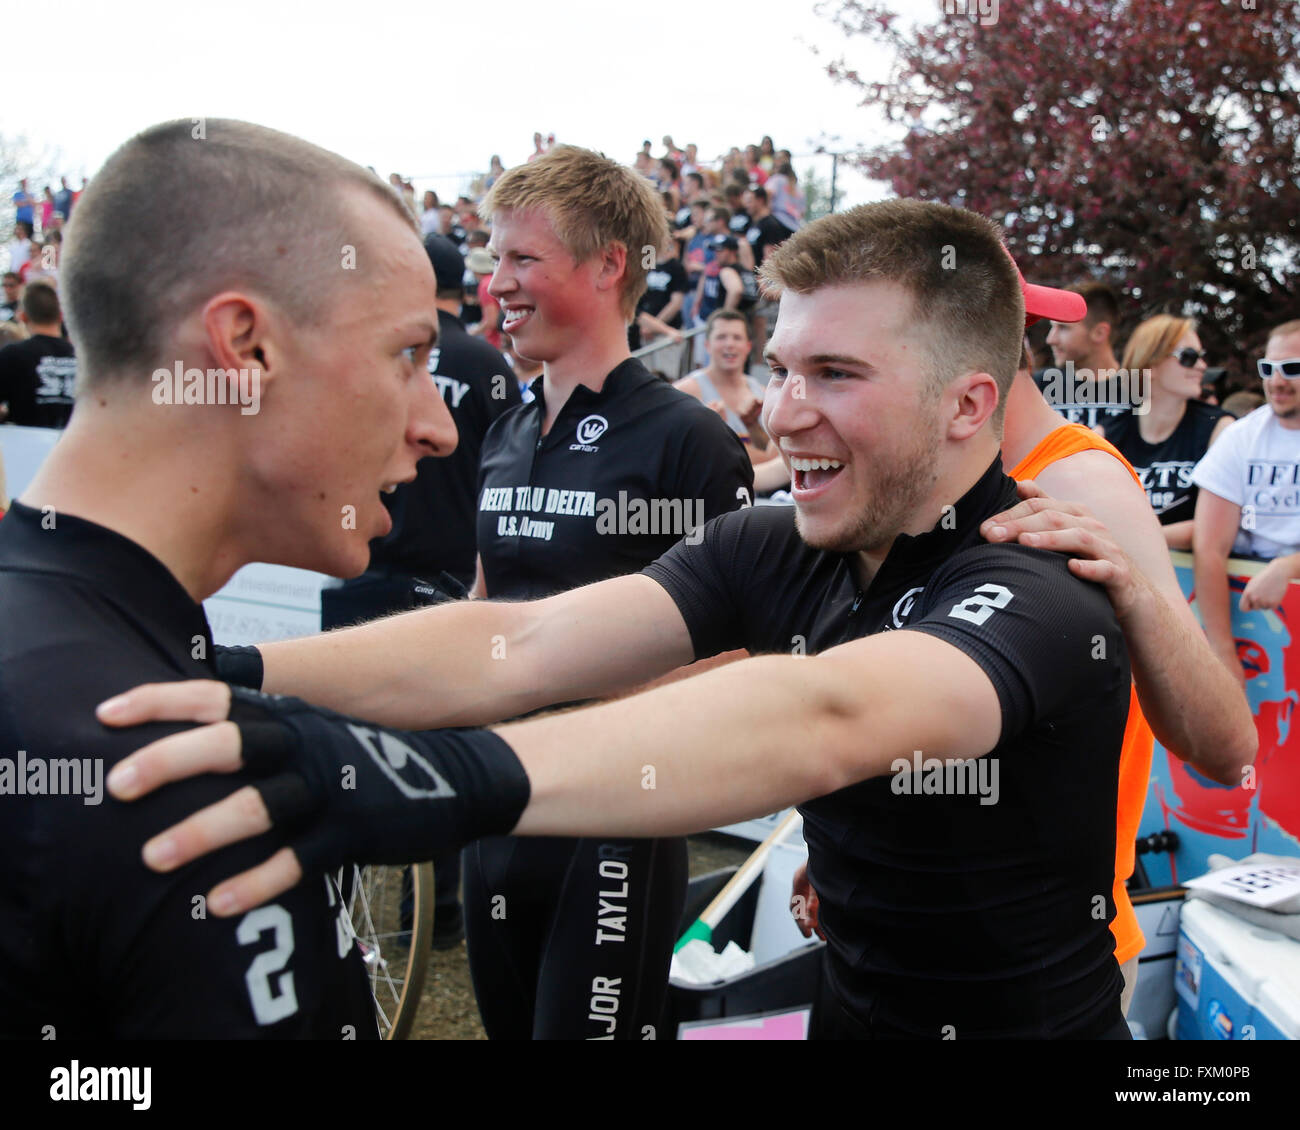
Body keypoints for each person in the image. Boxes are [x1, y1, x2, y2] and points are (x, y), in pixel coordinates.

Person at [107, 200, 1157, 1040]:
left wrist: (435, 781)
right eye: (784, 368)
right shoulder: (781, 538)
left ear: (968, 405)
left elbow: (826, 712)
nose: (784, 411)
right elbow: (521, 639)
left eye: (835, 374)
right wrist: (225, 663)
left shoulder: (1041, 573)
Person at [0, 117, 459, 1038]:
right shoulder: (162, 766)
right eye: (407, 356)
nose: (437, 427)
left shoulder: (96, 651)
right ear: (245, 347)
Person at [320, 232, 520, 948]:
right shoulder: (485, 363)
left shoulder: (392, 352)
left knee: (337, 749)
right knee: (436, 753)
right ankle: (433, 918)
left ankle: (338, 915)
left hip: (364, 566)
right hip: (445, 578)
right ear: (463, 286)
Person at [1194, 320, 1300, 679]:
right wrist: (1223, 653)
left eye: (1292, 368)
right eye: (1268, 368)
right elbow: (1208, 547)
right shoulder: (1241, 438)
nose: (1277, 381)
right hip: (1250, 616)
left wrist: (1288, 568)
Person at [1100, 315, 1231, 549]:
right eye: (1189, 357)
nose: (1202, 367)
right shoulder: (1106, 434)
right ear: (1150, 364)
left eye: (1201, 357)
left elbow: (1218, 526)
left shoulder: (1219, 429)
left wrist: (1133, 539)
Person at [676, 310, 776, 470]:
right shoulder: (684, 393)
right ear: (707, 345)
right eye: (721, 337)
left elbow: (773, 457)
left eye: (737, 337)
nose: (729, 344)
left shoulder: (763, 393)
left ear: (748, 346)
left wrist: (753, 428)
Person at [1038, 281, 1126, 429]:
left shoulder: (1134, 391)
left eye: (1063, 328)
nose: (1050, 339)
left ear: (1099, 333)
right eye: (1052, 327)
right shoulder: (1040, 386)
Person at [0, 280, 76, 427]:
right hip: (75, 446)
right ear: (60, 316)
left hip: (26, 445)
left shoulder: (12, 356)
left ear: (22, 317)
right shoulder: (84, 358)